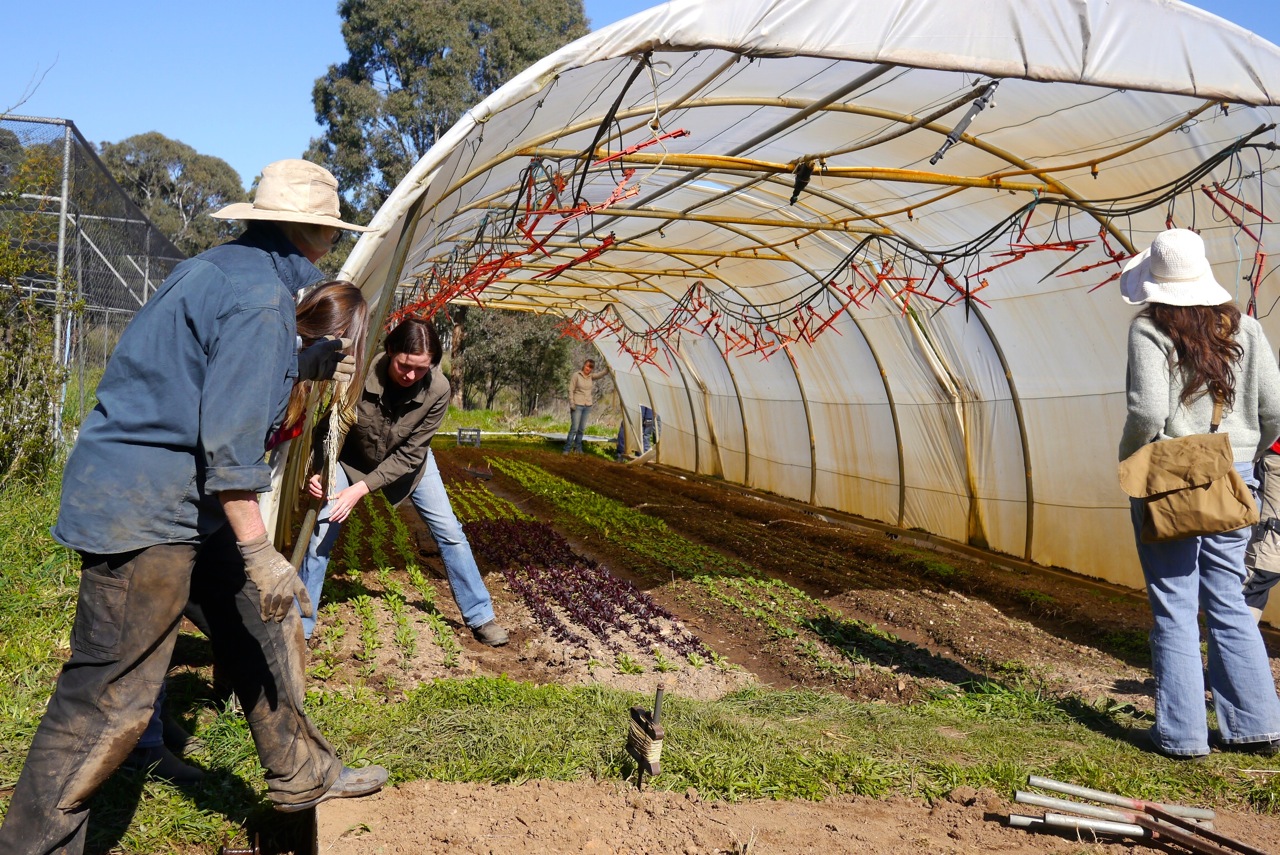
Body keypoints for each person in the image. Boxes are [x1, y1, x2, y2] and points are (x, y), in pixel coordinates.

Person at [0, 160, 386, 855]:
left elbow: (191, 375)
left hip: (170, 497)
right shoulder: (262, 301)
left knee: (256, 622)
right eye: (328, 231)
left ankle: (301, 769)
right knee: (106, 698)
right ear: (316, 234)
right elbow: (232, 439)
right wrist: (261, 550)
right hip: (148, 511)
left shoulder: (218, 270)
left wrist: (295, 365)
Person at [1118, 228, 1280, 759]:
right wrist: (1246, 459)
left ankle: (1183, 736)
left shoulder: (1150, 330)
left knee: (1174, 604)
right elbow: (1274, 408)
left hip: (1171, 469)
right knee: (1230, 601)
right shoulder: (1247, 328)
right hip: (1233, 471)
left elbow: (1146, 412)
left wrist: (1130, 460)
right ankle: (1256, 725)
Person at [302, 317, 509, 646]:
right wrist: (320, 470)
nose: (411, 375)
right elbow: (328, 427)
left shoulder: (438, 389)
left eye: (421, 368)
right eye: (404, 365)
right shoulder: (357, 373)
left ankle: (481, 616)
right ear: (389, 351)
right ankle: (302, 626)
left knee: (451, 532)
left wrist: (361, 490)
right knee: (320, 534)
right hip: (351, 459)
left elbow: (412, 455)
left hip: (410, 465)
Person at [564, 357, 608, 454]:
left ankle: (578, 448)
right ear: (584, 365)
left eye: (590, 367)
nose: (588, 369)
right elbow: (570, 389)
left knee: (581, 428)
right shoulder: (576, 375)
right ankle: (567, 449)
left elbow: (600, 374)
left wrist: (607, 369)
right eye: (587, 366)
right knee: (574, 428)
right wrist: (571, 402)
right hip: (577, 404)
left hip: (587, 405)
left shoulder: (591, 377)